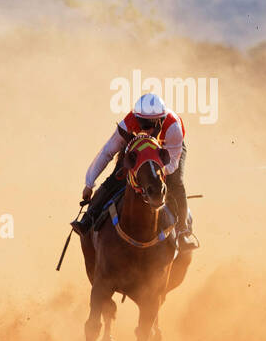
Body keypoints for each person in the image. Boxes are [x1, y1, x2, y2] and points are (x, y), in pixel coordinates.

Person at [73, 92, 197, 249]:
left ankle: (182, 233)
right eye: (143, 124)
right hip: (136, 148)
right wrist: (89, 183)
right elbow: (107, 153)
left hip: (165, 151)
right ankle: (88, 219)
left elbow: (172, 164)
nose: (147, 129)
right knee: (116, 178)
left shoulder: (173, 128)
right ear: (136, 117)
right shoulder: (128, 124)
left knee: (176, 183)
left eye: (152, 124)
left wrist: (151, 173)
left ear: (162, 120)